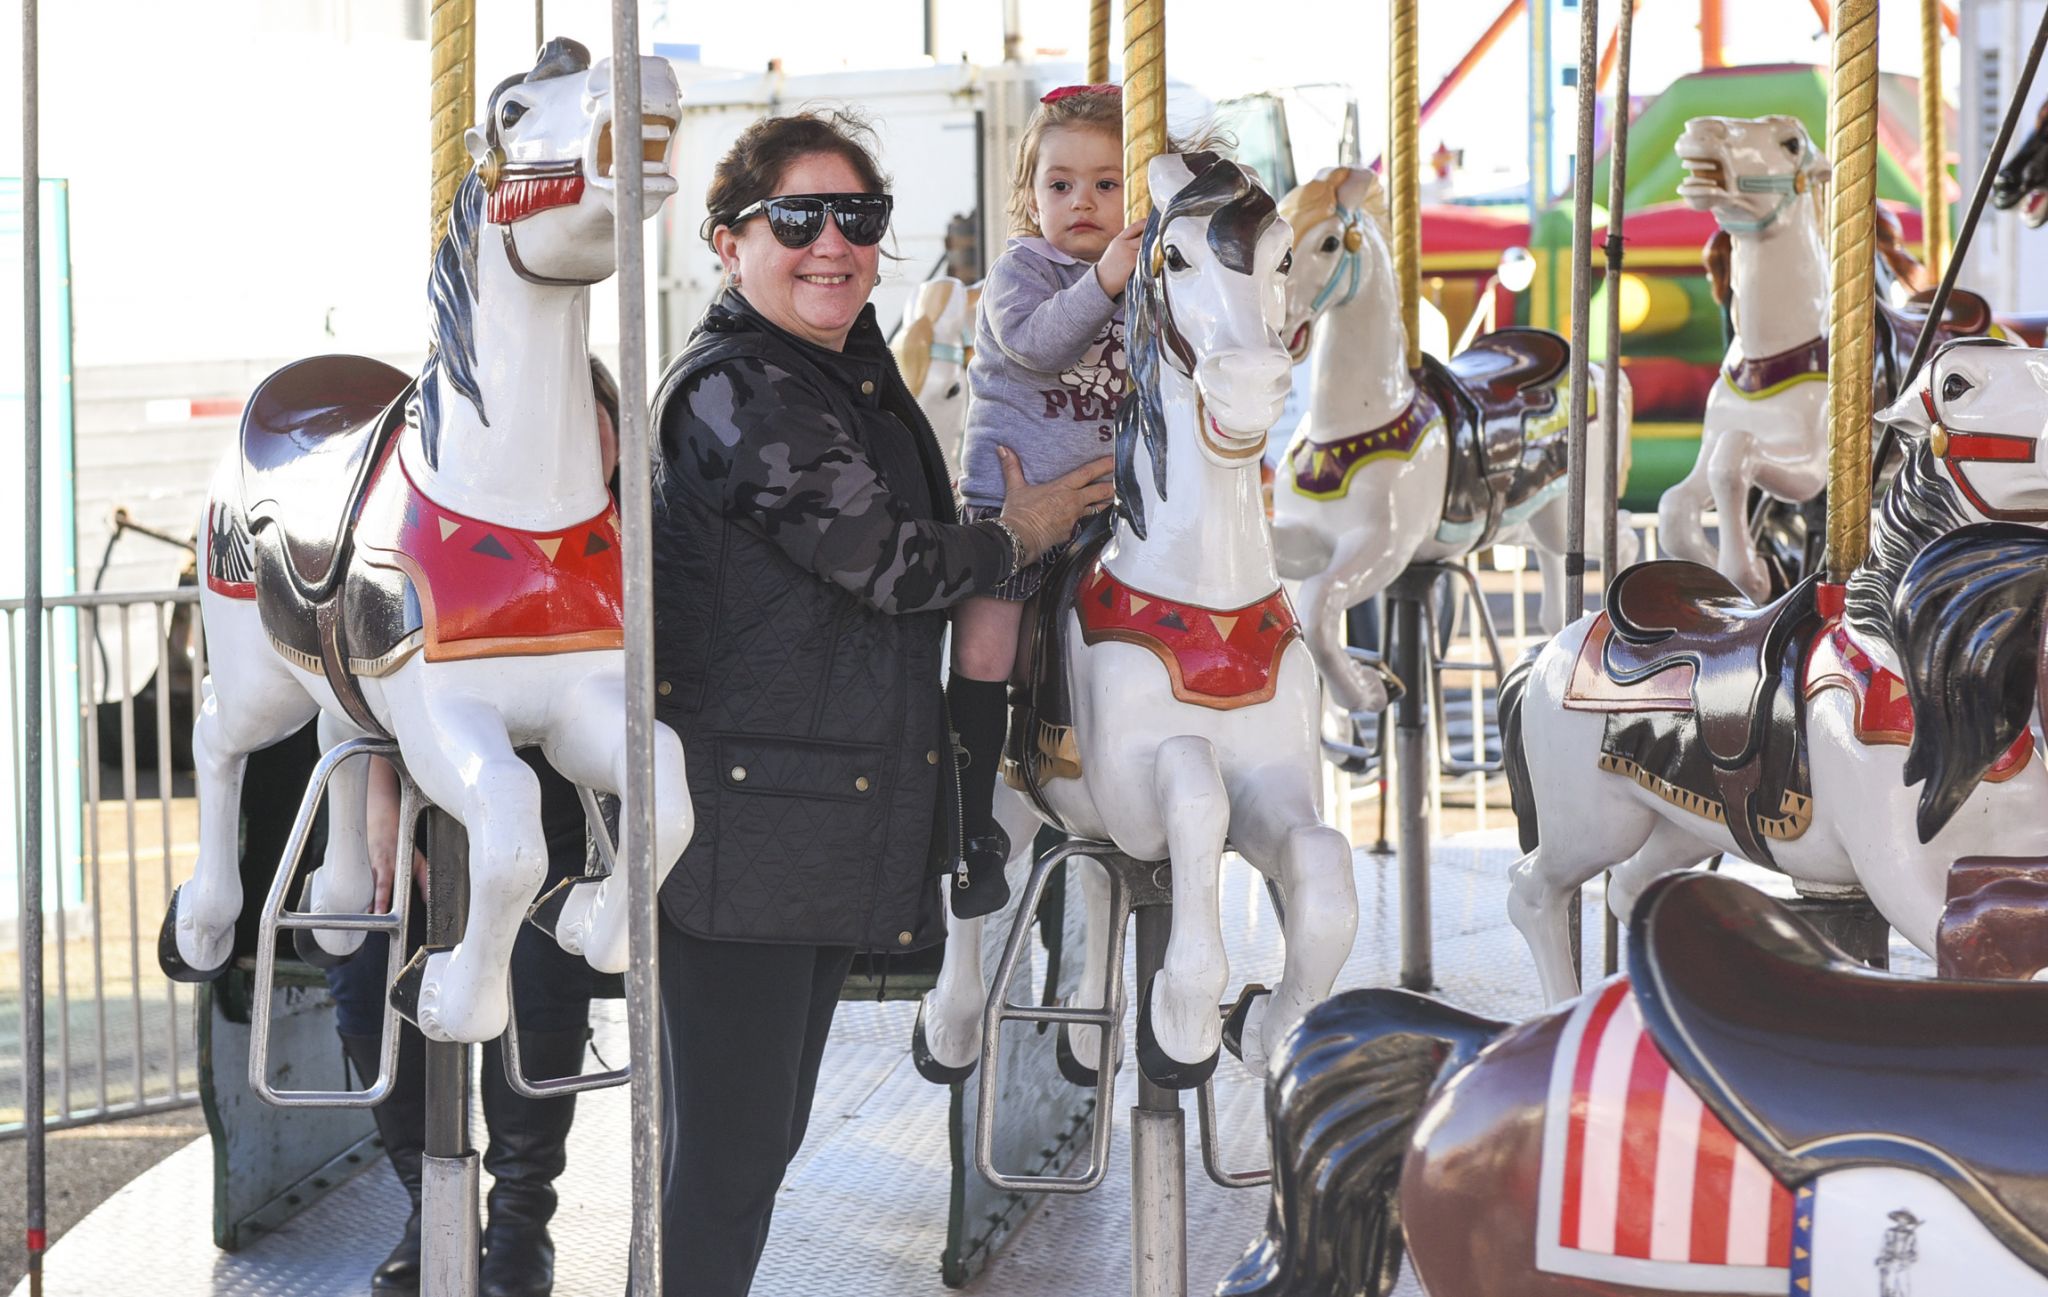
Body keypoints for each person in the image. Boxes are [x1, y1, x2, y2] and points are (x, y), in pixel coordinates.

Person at [648, 109, 1113, 1295]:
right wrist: (1019, 531)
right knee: (729, 1158)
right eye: (796, 217)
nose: (832, 244)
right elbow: (887, 562)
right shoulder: (739, 390)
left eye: (856, 217)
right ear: (728, 243)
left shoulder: (837, 374)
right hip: (745, 826)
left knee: (754, 1146)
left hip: (802, 816)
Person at [948, 84, 1145, 919]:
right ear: (1030, 197)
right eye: (1061, 184)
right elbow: (1039, 345)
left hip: (1112, 511)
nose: (1083, 202)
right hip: (1013, 511)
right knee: (987, 646)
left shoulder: (1146, 276)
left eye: (1107, 184)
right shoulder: (1021, 272)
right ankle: (969, 832)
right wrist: (1106, 278)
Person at [329, 752, 595, 1297]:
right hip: (407, 794)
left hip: (546, 800)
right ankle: (430, 1209)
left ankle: (521, 1215)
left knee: (541, 970)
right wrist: (378, 807)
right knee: (366, 962)